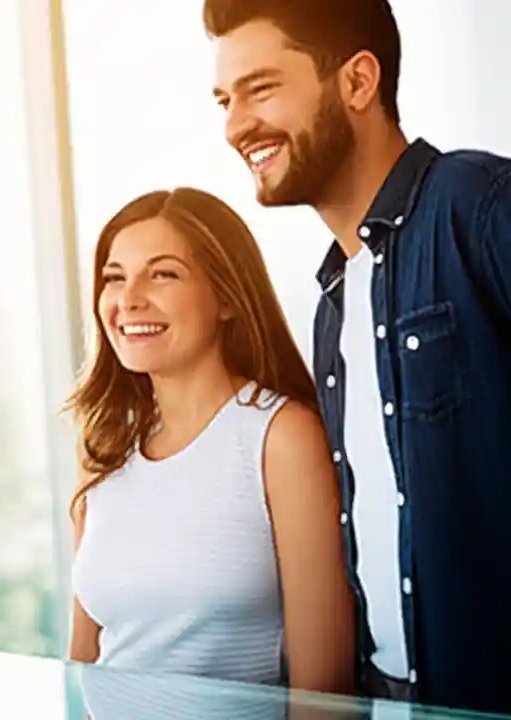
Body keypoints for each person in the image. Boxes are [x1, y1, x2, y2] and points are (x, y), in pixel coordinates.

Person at [206, 0, 511, 712]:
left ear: (357, 81)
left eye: (261, 89)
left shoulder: (481, 207)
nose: (234, 126)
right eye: (224, 100)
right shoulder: (334, 306)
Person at [65, 188, 354, 697]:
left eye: (163, 274)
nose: (129, 298)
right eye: (115, 277)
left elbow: (323, 690)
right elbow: (83, 660)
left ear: (226, 297)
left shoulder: (281, 438)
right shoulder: (104, 442)